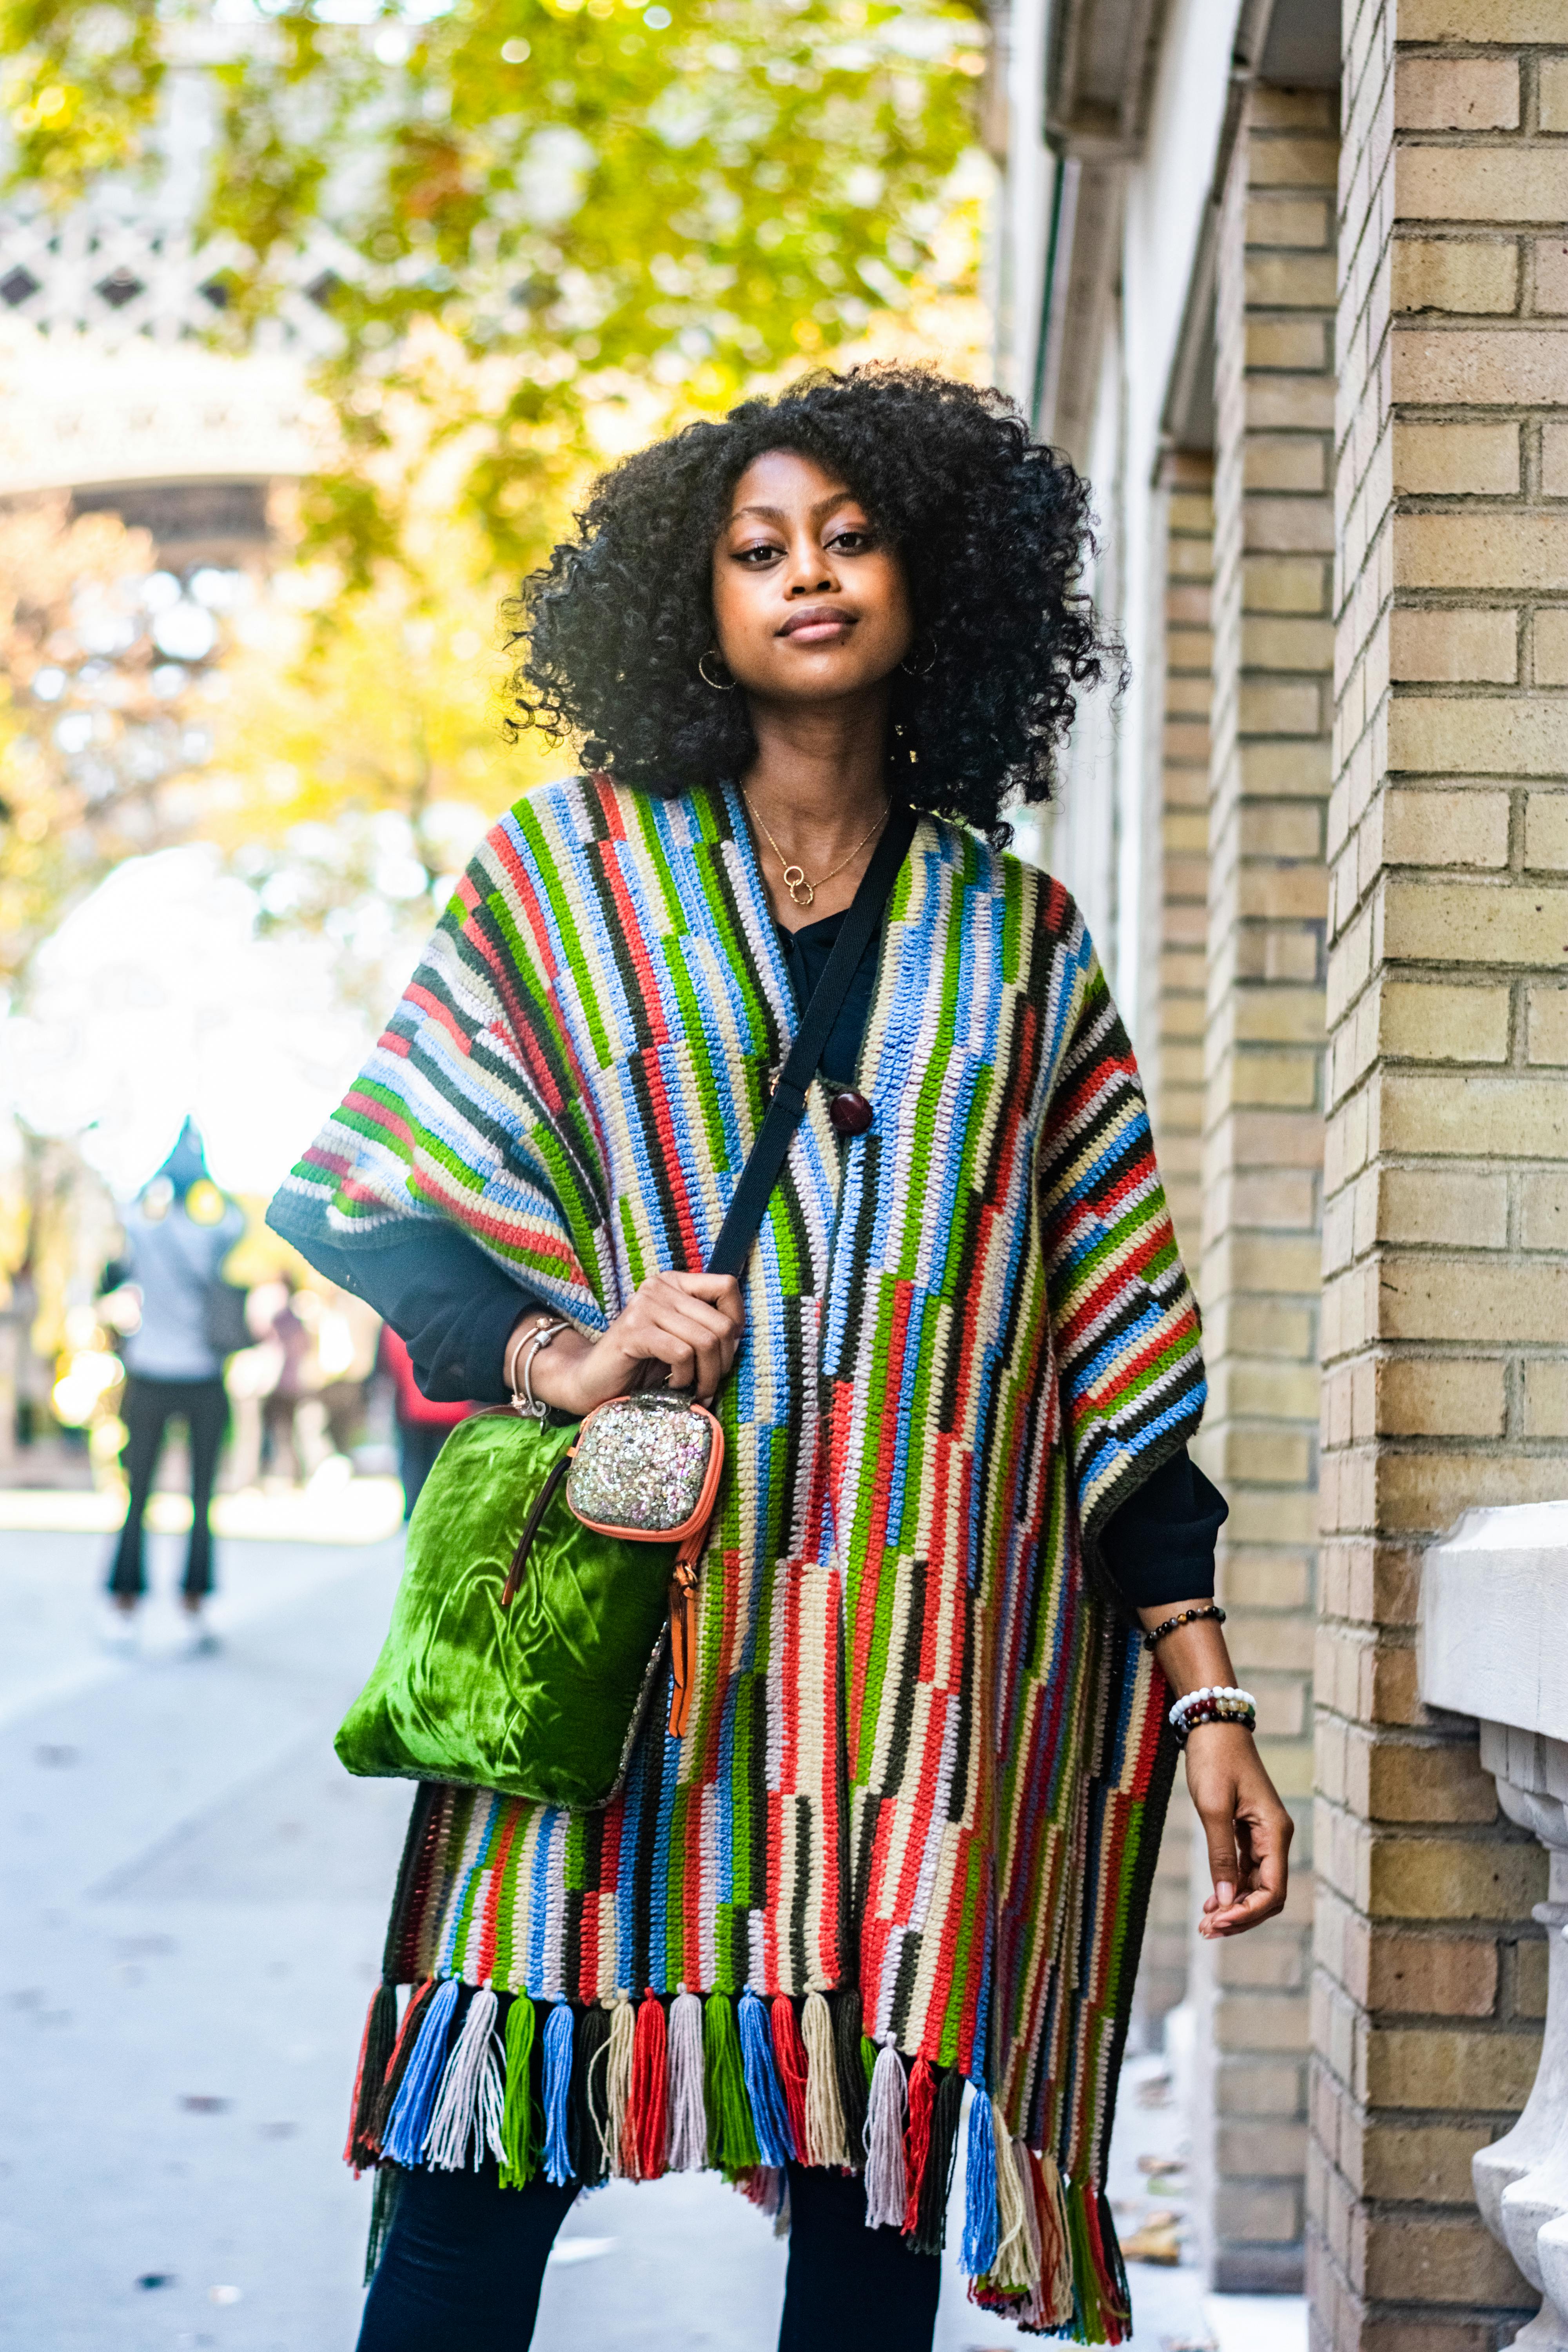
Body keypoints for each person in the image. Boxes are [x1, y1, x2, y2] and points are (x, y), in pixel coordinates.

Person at [269, 367, 1292, 2351]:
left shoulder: (1022, 943)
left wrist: (1200, 1698)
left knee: (870, 2208)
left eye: (847, 537)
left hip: (922, 1688)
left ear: (937, 583)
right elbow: (381, 1201)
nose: (804, 577)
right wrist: (567, 1351)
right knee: (475, 2191)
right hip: (635, 1658)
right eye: (754, 551)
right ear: (691, 603)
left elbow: (1111, 1341)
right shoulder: (558, 878)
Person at [105, 1119, 244, 1654]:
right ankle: (193, 1606)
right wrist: (207, 1174)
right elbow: (235, 1219)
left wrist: (159, 1171)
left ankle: (125, 1605)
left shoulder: (147, 1231)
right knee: (201, 1496)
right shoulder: (210, 1236)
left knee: (136, 1494)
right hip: (204, 1379)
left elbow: (128, 1209)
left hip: (149, 1376)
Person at [376, 1323, 469, 1516]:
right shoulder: (452, 1319)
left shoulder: (392, 1325)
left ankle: (414, 1519)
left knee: (415, 1470)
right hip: (453, 1412)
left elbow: (387, 1368)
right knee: (446, 1474)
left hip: (415, 1412)